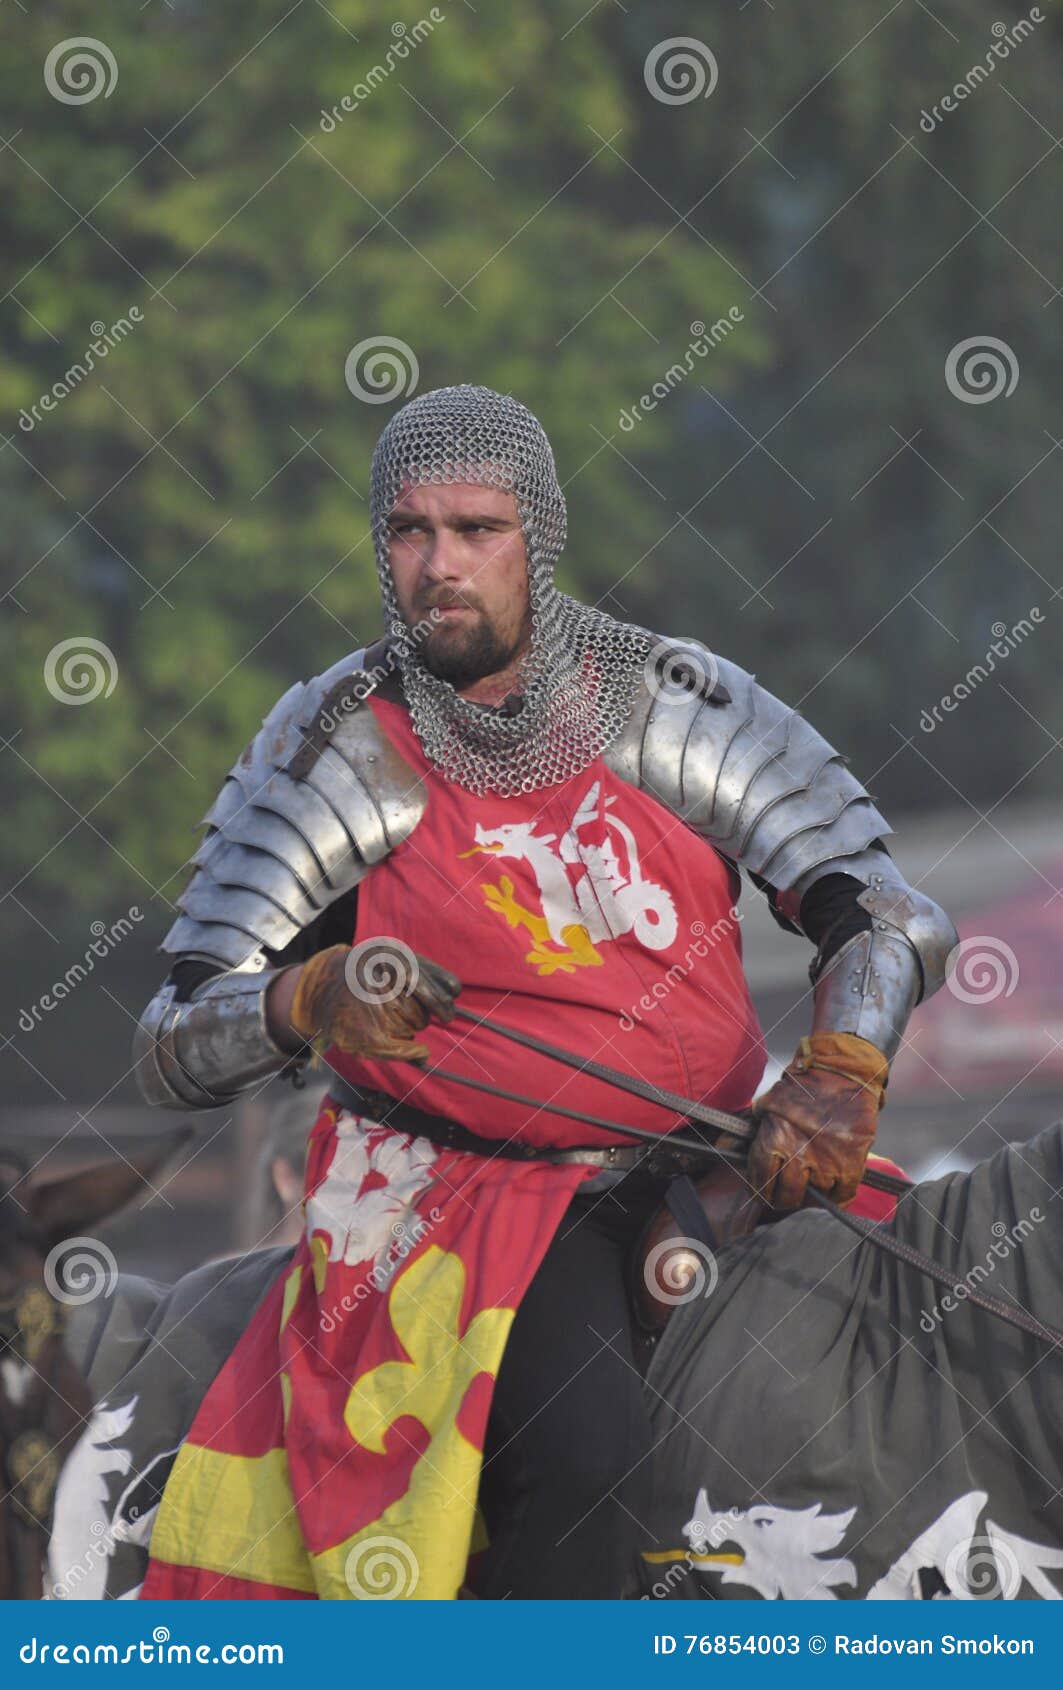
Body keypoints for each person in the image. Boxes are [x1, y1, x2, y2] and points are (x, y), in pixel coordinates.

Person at [132, 385, 956, 1600]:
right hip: (461, 1200)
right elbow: (170, 1043)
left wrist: (840, 1066)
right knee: (585, 1455)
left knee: (951, 1359)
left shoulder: (677, 700)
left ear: (540, 539)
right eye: (411, 532)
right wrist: (299, 1003)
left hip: (721, 1163)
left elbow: (882, 907)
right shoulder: (333, 747)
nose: (440, 565)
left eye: (477, 529)